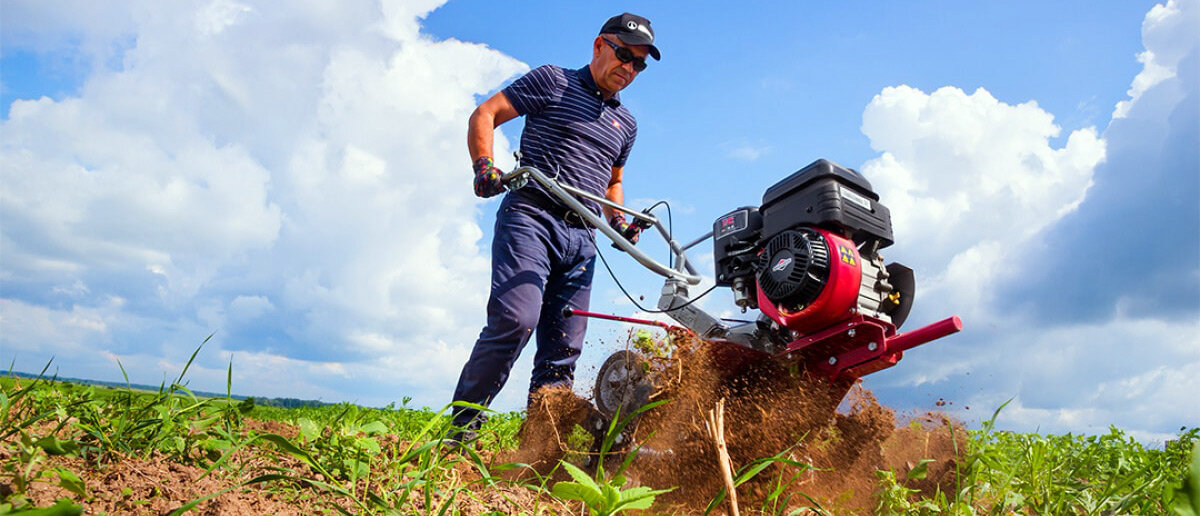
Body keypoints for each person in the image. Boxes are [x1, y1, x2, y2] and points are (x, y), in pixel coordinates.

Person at [448, 13, 662, 444]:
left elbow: (613, 180)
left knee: (562, 353)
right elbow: (486, 113)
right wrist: (484, 166)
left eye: (639, 65)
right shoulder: (554, 81)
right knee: (515, 319)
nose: (629, 69)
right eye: (624, 55)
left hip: (582, 238)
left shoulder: (627, 125)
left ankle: (536, 452)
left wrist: (618, 221)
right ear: (600, 45)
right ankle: (459, 435)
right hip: (532, 216)